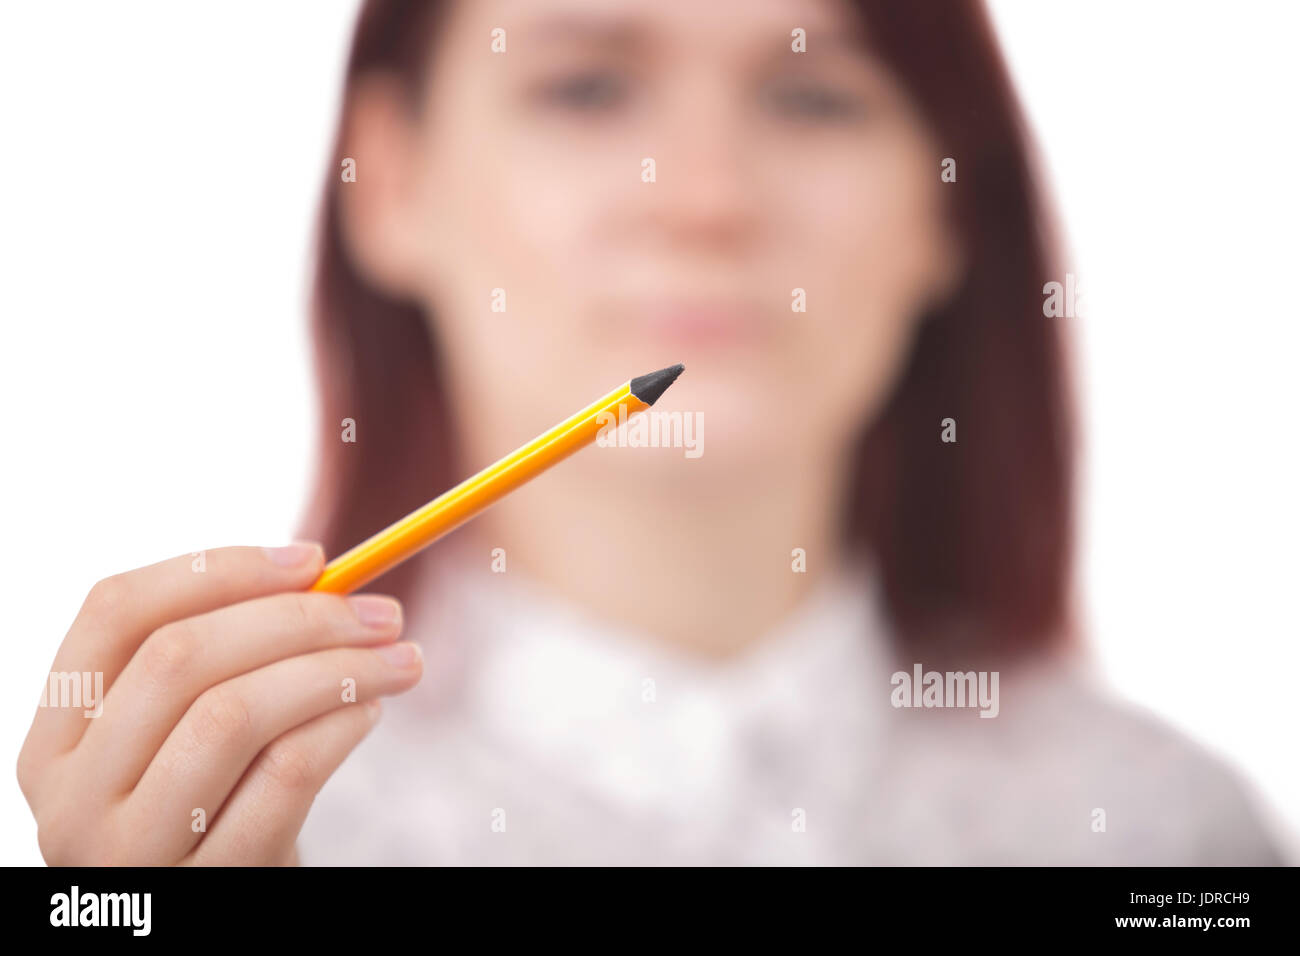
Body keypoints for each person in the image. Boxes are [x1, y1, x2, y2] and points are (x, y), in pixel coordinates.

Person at [17, 0, 1284, 865]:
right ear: (390, 181)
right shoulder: (238, 824)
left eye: (813, 98)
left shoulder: (1164, 835)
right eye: (586, 88)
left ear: (946, 211)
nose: (704, 199)